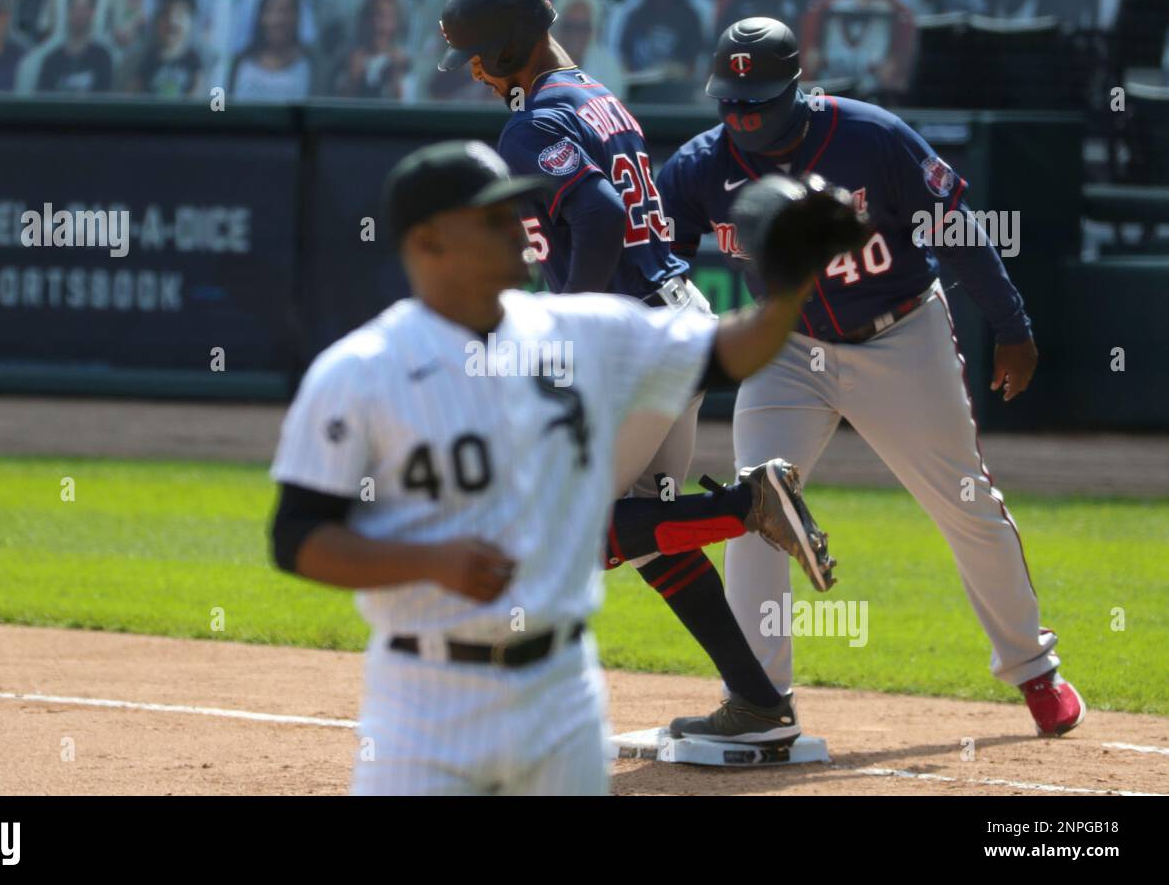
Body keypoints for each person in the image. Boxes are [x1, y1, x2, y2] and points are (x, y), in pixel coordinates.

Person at [268, 138, 869, 794]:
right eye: (492, 217)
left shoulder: (582, 331)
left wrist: (789, 287)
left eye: (514, 209)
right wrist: (428, 562)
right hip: (423, 704)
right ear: (428, 242)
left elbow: (729, 353)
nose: (519, 226)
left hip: (563, 698)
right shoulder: (360, 372)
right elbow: (297, 537)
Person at [654, 16, 1086, 739]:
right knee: (757, 510)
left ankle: (1034, 671)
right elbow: (659, 259)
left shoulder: (871, 136)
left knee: (964, 499)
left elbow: (955, 228)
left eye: (755, 98)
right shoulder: (701, 166)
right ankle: (760, 698)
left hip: (900, 334)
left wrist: (1011, 325)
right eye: (729, 99)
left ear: (795, 86)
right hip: (786, 349)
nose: (741, 113)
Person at [438, 0, 838, 744]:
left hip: (626, 339)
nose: (478, 74)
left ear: (512, 48)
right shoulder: (598, 95)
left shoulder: (530, 124)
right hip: (678, 321)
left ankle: (745, 506)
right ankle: (759, 704)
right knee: (650, 531)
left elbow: (598, 214)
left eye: (481, 59)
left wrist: (566, 326)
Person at [226, 0, 311, 100]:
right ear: (260, 16)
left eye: (285, 11)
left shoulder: (310, 64)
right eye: (270, 10)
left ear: (297, 16)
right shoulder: (242, 62)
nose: (277, 20)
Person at [30, 0, 115, 93]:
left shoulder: (103, 58)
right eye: (74, 6)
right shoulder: (51, 61)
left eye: (84, 7)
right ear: (67, 10)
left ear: (92, 12)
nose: (79, 13)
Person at [327, 0, 410, 100]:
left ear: (396, 22)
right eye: (371, 16)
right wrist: (352, 80)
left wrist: (396, 81)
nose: (377, 25)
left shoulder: (405, 64)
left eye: (384, 17)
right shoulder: (345, 62)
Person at [124, 0, 204, 96]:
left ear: (191, 22)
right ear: (156, 20)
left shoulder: (195, 61)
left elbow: (196, 97)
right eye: (165, 13)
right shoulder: (144, 59)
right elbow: (130, 97)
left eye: (180, 14)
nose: (172, 21)